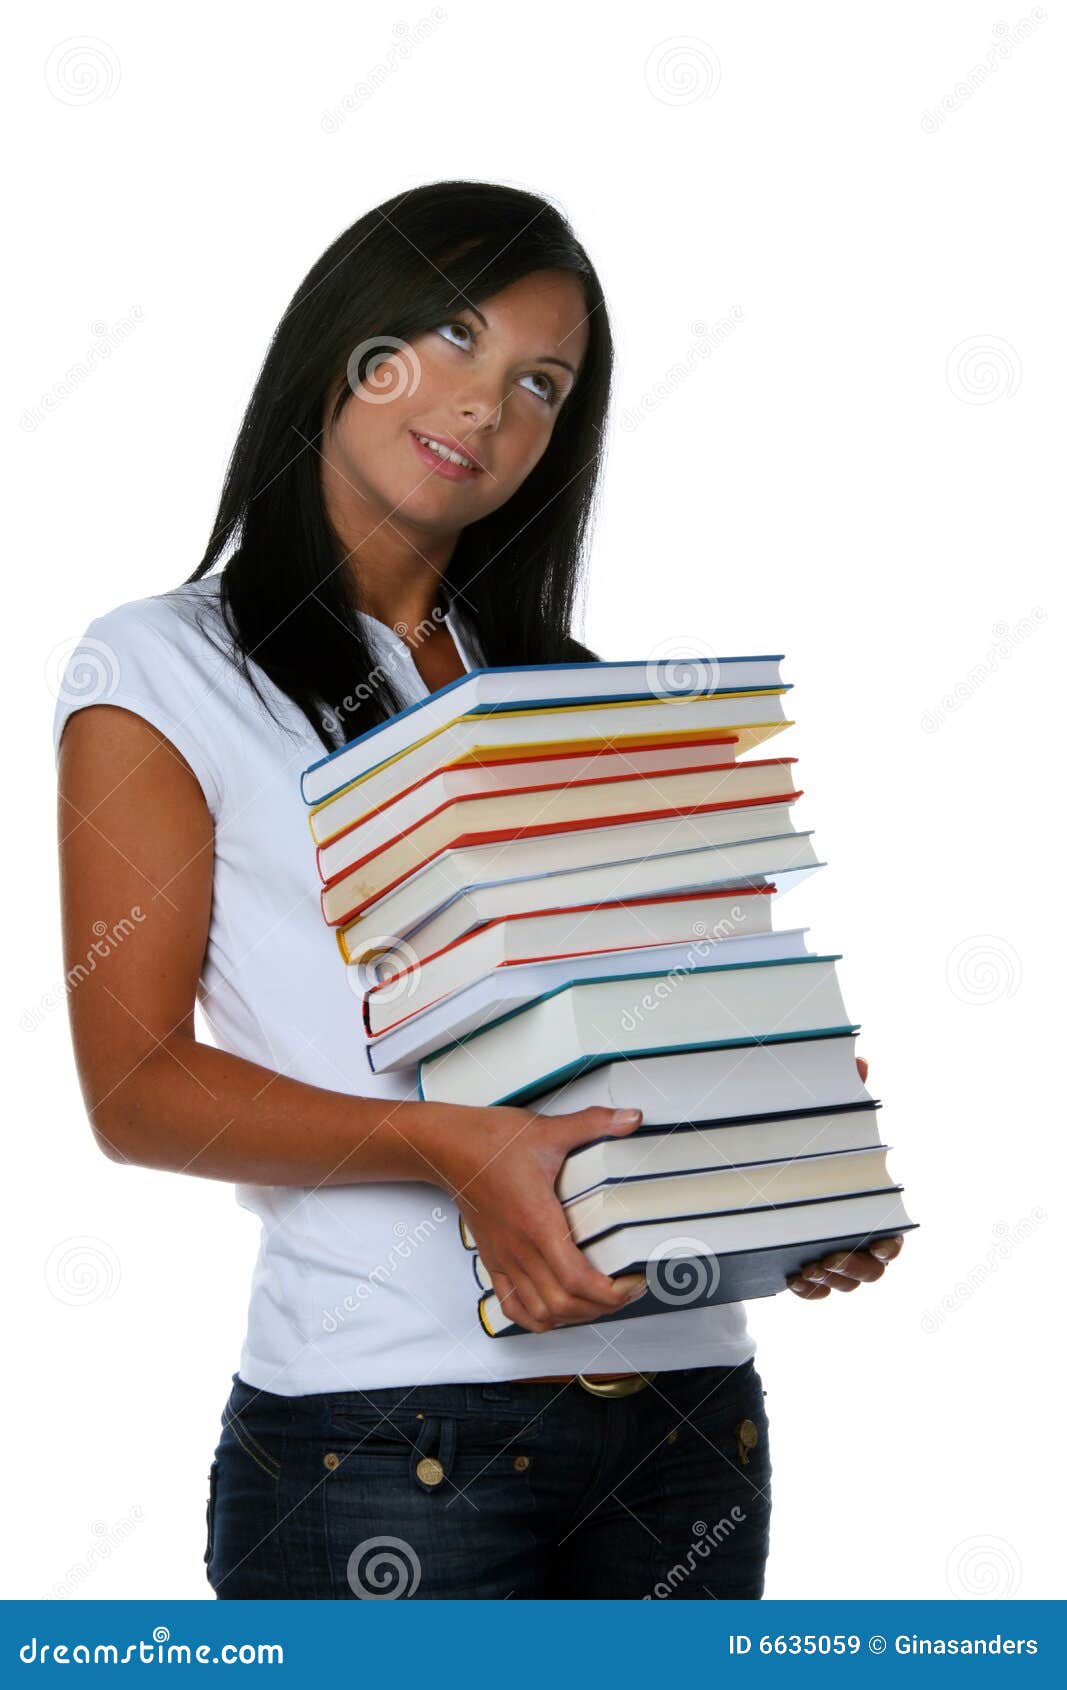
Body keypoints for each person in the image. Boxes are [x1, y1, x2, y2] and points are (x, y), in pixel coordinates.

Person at [54, 179, 904, 1600]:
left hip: (688, 1418)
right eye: (449, 333)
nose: (482, 403)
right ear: (344, 343)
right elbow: (134, 1085)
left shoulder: (575, 703)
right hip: (386, 1436)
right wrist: (457, 1148)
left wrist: (784, 1157)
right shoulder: (163, 668)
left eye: (540, 381)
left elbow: (669, 1029)